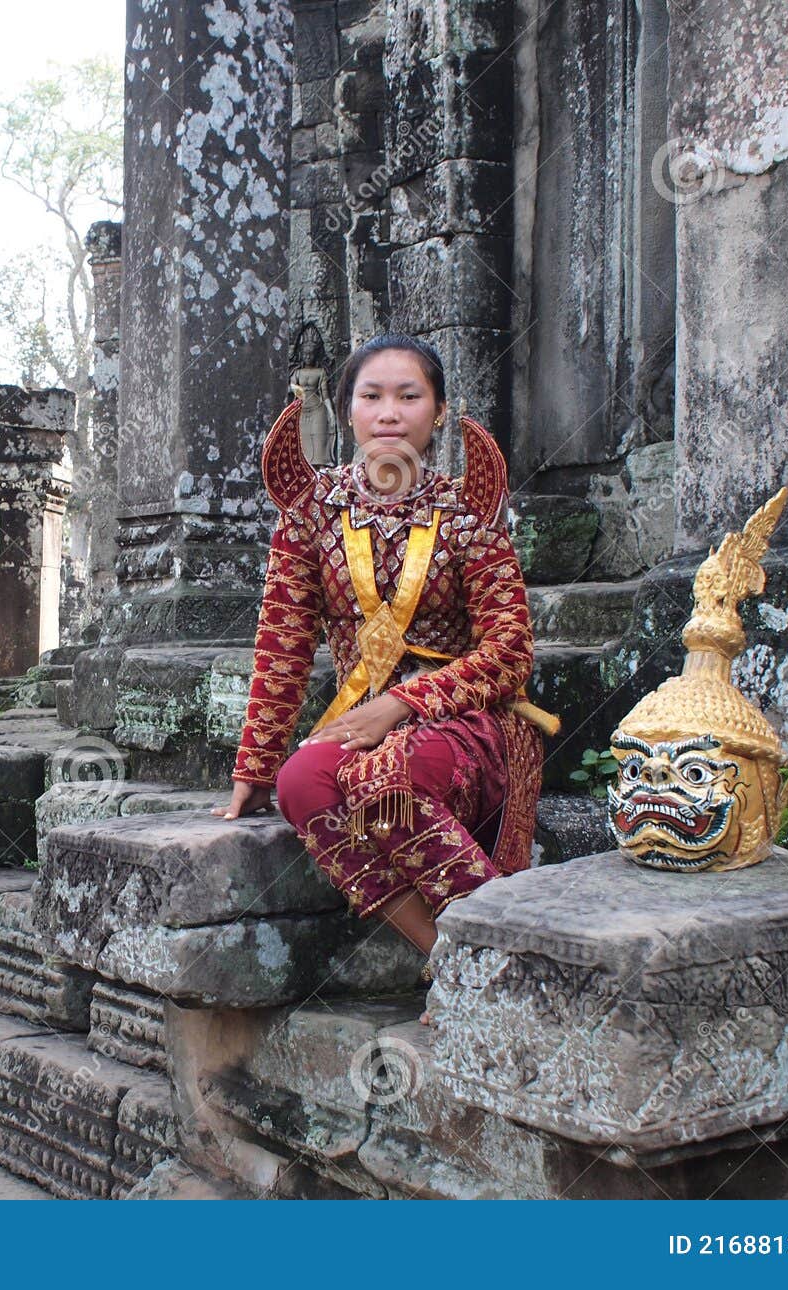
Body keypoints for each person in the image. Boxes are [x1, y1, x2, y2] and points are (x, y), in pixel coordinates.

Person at [213, 334, 555, 981]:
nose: (390, 412)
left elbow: (510, 653)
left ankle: (499, 942)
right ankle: (456, 961)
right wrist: (255, 766)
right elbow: (283, 643)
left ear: (440, 412)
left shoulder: (469, 510)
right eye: (372, 396)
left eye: (409, 396)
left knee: (383, 778)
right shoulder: (310, 513)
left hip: (472, 726)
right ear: (348, 411)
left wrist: (401, 704)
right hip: (360, 724)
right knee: (299, 782)